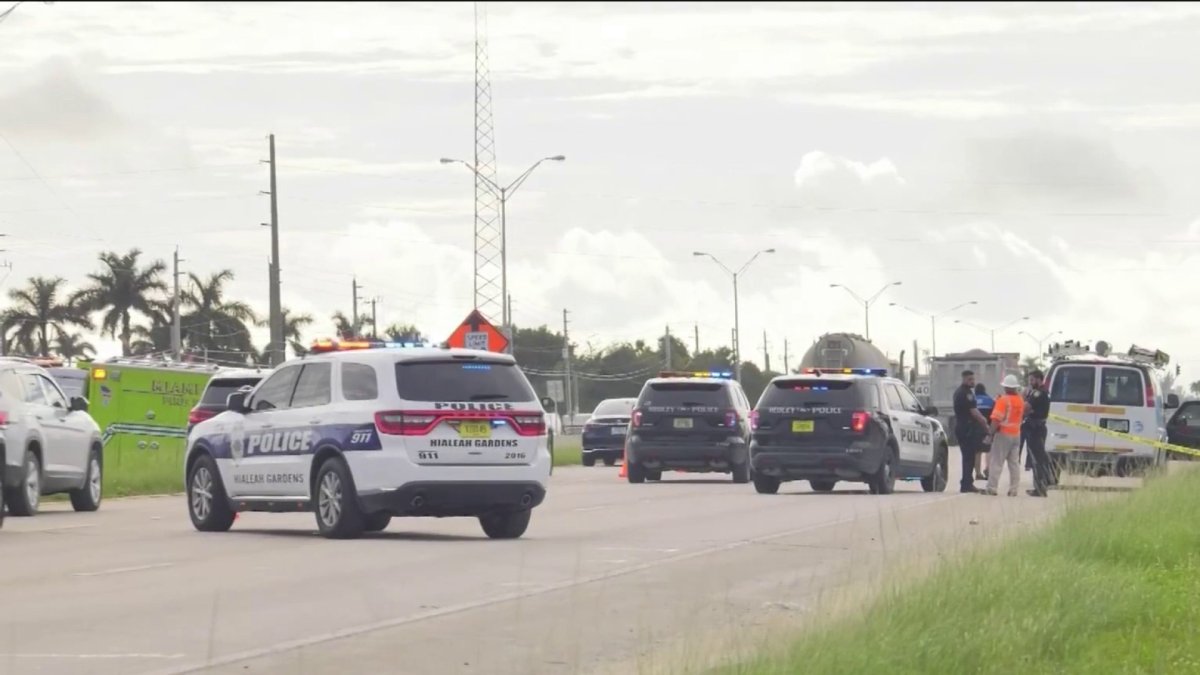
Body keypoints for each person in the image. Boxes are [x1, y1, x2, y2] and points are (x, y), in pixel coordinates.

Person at [986, 374, 1026, 496]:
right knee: (1014, 464)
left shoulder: (1003, 400)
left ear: (1006, 387)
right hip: (1016, 434)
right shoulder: (1020, 400)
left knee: (996, 462)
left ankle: (992, 488)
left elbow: (996, 419)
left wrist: (990, 434)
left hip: (1003, 434)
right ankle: (1014, 489)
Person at [953, 370, 992, 493]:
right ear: (964, 379)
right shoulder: (966, 393)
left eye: (973, 379)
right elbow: (974, 411)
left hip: (962, 427)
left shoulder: (960, 392)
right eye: (970, 379)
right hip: (966, 428)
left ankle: (966, 483)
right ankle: (966, 484)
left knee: (968, 456)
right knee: (969, 456)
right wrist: (985, 423)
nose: (972, 382)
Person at [1022, 369, 1053, 496]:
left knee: (1037, 459)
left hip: (1035, 429)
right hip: (1039, 428)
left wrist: (1024, 401)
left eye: (1032, 380)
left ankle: (1040, 488)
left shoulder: (1037, 393)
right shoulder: (1044, 392)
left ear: (1039, 379)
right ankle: (1040, 487)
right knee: (1039, 458)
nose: (1031, 382)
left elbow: (1026, 408)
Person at [974, 383, 995, 481]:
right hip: (987, 428)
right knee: (989, 450)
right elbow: (994, 415)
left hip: (975, 429)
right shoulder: (990, 400)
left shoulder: (973, 400)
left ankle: (978, 473)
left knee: (977, 451)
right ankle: (988, 469)